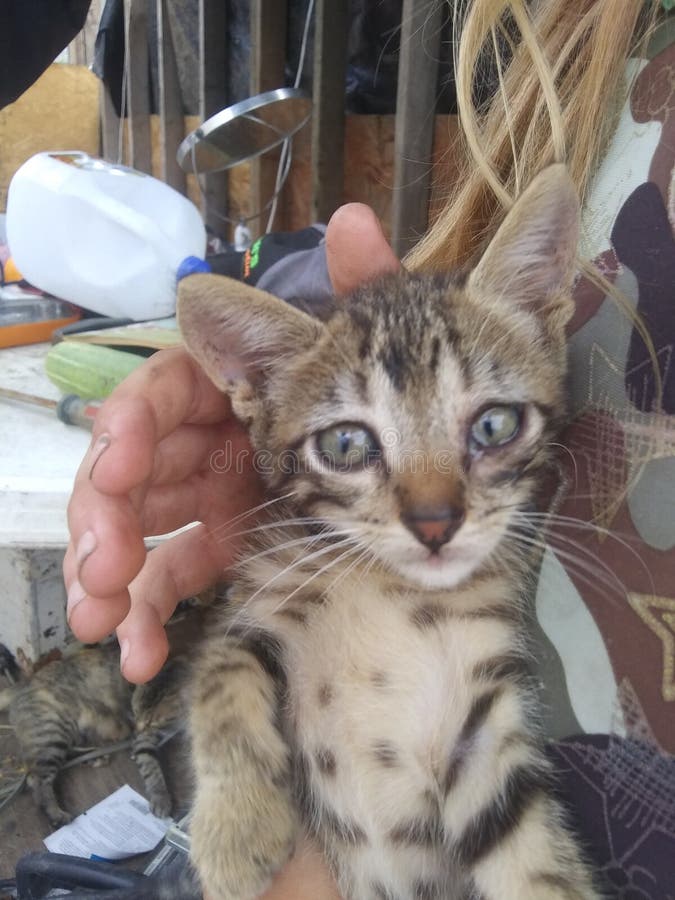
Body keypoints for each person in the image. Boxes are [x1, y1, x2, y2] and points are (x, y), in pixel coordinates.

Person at [65, 0, 673, 896]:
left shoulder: (481, 581)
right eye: (353, 445)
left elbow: (494, 792)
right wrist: (235, 773)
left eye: (491, 429)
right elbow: (240, 660)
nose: (434, 511)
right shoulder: (581, 53)